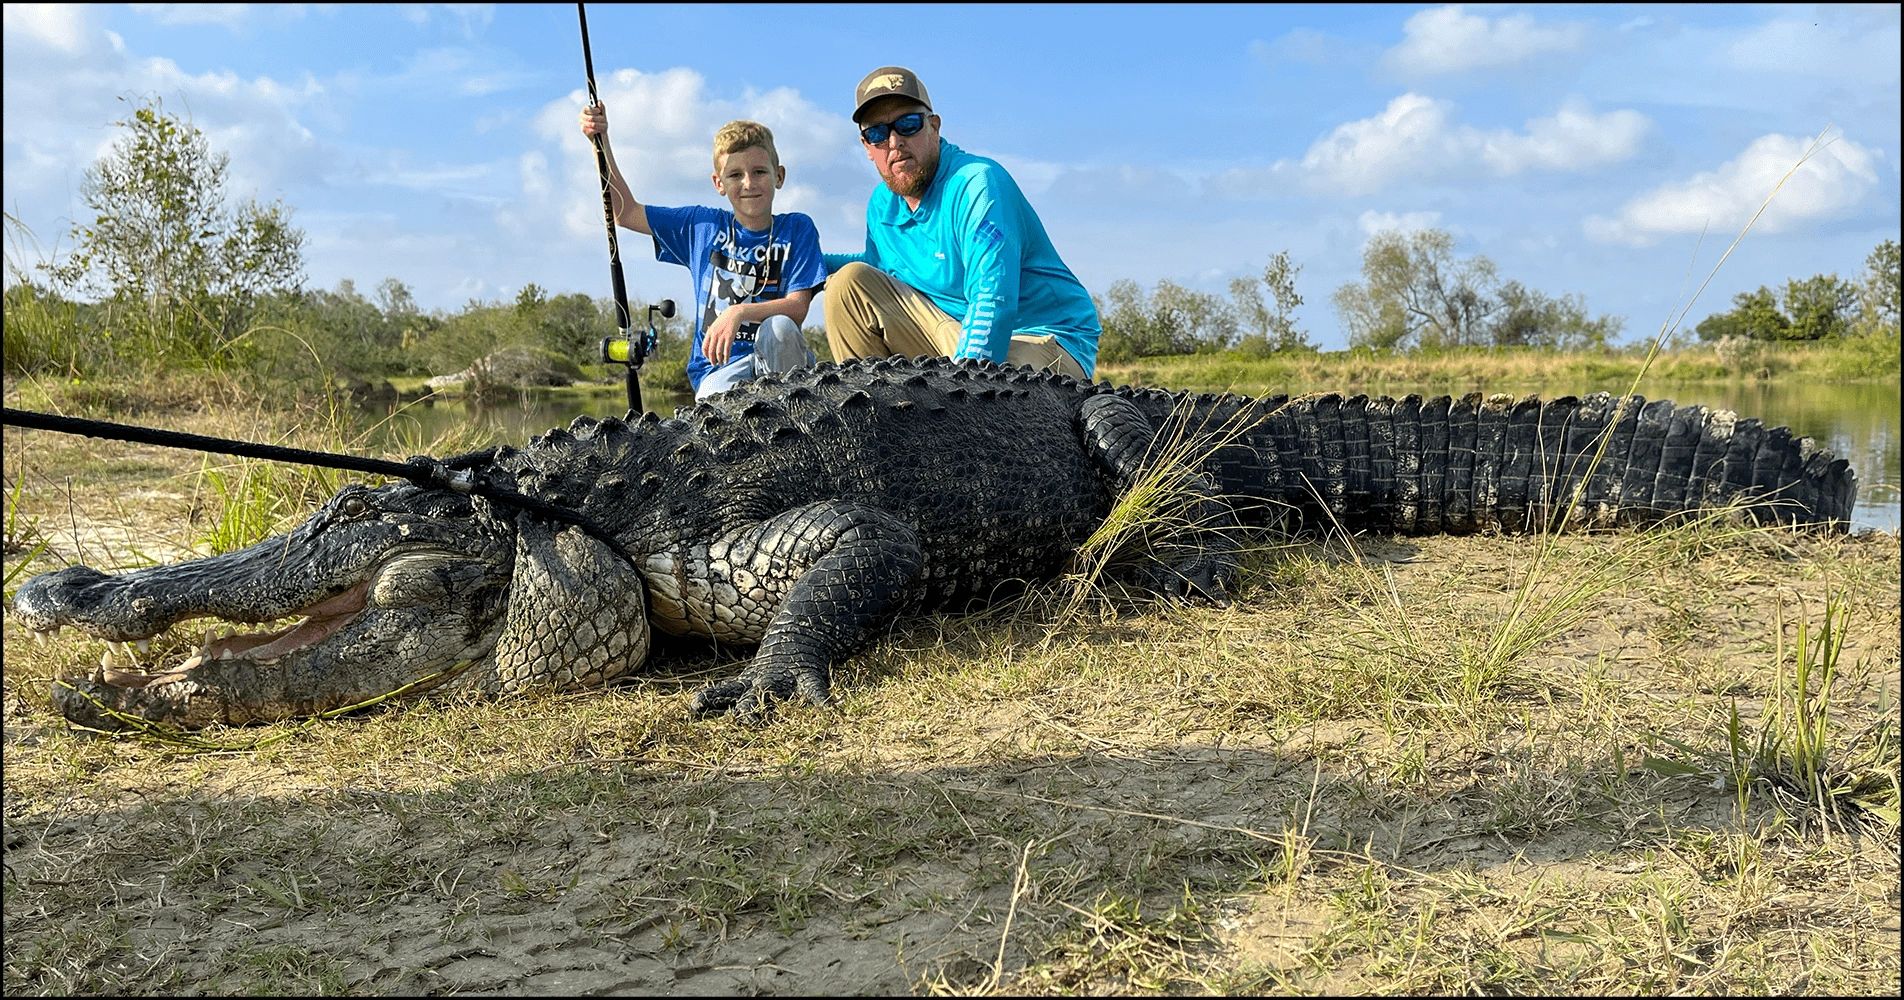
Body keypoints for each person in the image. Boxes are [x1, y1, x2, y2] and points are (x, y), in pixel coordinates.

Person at [822, 66, 1102, 380]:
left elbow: (992, 300)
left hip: (1036, 335)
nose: (895, 141)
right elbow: (881, 268)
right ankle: (879, 421)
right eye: (877, 133)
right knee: (848, 283)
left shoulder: (978, 185)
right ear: (866, 146)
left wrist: (964, 390)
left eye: (908, 124)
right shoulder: (880, 205)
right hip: (953, 331)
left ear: (934, 127)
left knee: (1009, 380)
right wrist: (809, 265)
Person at [580, 104, 825, 400]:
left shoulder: (797, 228)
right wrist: (600, 141)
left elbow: (798, 307)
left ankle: (794, 416)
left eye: (759, 171)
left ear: (779, 176)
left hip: (780, 361)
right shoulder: (701, 225)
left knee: (781, 327)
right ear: (718, 183)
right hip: (718, 369)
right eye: (735, 175)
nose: (748, 183)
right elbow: (625, 211)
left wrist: (739, 312)